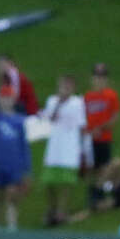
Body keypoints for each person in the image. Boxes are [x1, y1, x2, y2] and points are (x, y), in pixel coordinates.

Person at [39, 74, 87, 227]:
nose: (65, 88)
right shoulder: (52, 101)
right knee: (48, 181)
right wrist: (59, 103)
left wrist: (82, 149)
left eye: (68, 85)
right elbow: (50, 118)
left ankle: (62, 211)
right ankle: (52, 208)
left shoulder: (77, 103)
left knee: (67, 182)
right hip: (55, 148)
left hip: (69, 148)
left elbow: (81, 125)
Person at [0, 88, 31, 230]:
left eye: (9, 98)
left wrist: (26, 167)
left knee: (12, 194)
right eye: (4, 98)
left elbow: (23, 144)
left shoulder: (18, 121)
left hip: (14, 164)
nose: (6, 101)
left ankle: (12, 223)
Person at [82, 64, 120, 174]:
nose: (99, 79)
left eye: (102, 76)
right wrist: (89, 132)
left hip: (104, 138)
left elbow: (115, 117)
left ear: (106, 79)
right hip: (89, 139)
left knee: (104, 169)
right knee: (89, 169)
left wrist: (100, 128)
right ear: (92, 78)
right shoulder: (87, 96)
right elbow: (82, 118)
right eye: (97, 75)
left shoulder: (111, 95)